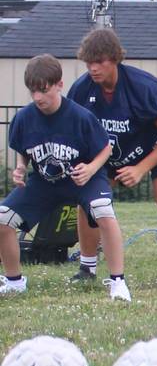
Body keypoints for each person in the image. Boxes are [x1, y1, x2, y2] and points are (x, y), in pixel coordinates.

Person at [67, 27, 157, 289]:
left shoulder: (143, 87)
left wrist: (140, 168)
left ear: (115, 58)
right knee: (88, 198)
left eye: (100, 62)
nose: (93, 68)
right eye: (89, 62)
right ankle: (87, 267)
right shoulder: (82, 90)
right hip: (111, 152)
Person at [0, 54, 130, 300]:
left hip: (84, 180)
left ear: (59, 85)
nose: (37, 97)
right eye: (32, 91)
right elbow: (24, 149)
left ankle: (118, 282)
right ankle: (14, 281)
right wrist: (20, 167)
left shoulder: (81, 116)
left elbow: (106, 149)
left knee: (103, 210)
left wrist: (91, 169)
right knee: (2, 219)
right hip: (44, 183)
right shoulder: (24, 118)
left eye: (43, 90)